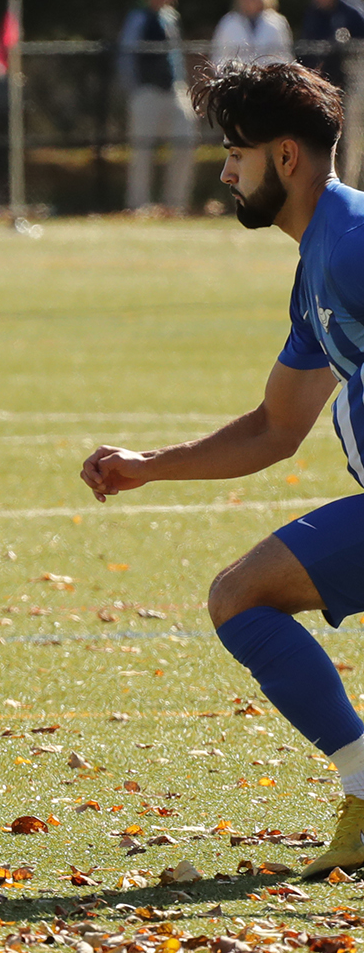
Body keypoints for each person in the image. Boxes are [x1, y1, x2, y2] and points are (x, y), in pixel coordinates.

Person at [81, 60, 364, 879]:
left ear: (285, 157)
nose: (224, 169)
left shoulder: (348, 245)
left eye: (236, 151)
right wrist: (149, 467)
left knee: (241, 595)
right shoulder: (317, 265)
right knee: (239, 596)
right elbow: (278, 427)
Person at [120, 0, 197, 213]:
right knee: (142, 150)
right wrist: (134, 90)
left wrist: (182, 85)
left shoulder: (170, 17)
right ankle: (138, 205)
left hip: (173, 89)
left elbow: (175, 56)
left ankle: (176, 204)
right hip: (146, 92)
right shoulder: (138, 18)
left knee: (185, 140)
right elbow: (127, 57)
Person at [301, 0, 364, 184]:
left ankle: (349, 184)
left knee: (349, 141)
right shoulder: (313, 13)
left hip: (350, 88)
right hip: (322, 89)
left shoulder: (354, 12)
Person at [212, 0, 293, 68]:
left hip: (270, 77)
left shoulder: (277, 22)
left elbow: (285, 55)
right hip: (236, 78)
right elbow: (218, 55)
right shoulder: (228, 23)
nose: (250, 0)